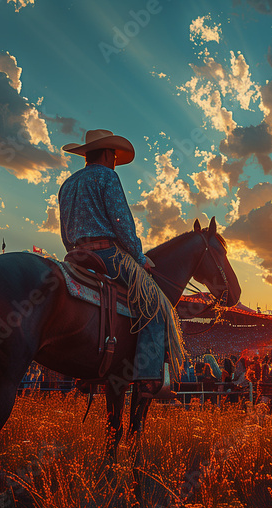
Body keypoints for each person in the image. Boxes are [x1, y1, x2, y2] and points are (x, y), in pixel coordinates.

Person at [58, 129, 182, 394]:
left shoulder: (68, 184)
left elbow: (64, 231)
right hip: (109, 255)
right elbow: (121, 223)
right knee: (157, 305)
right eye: (113, 155)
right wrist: (139, 257)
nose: (115, 160)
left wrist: (75, 251)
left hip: (76, 256)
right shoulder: (107, 177)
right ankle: (148, 375)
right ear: (106, 153)